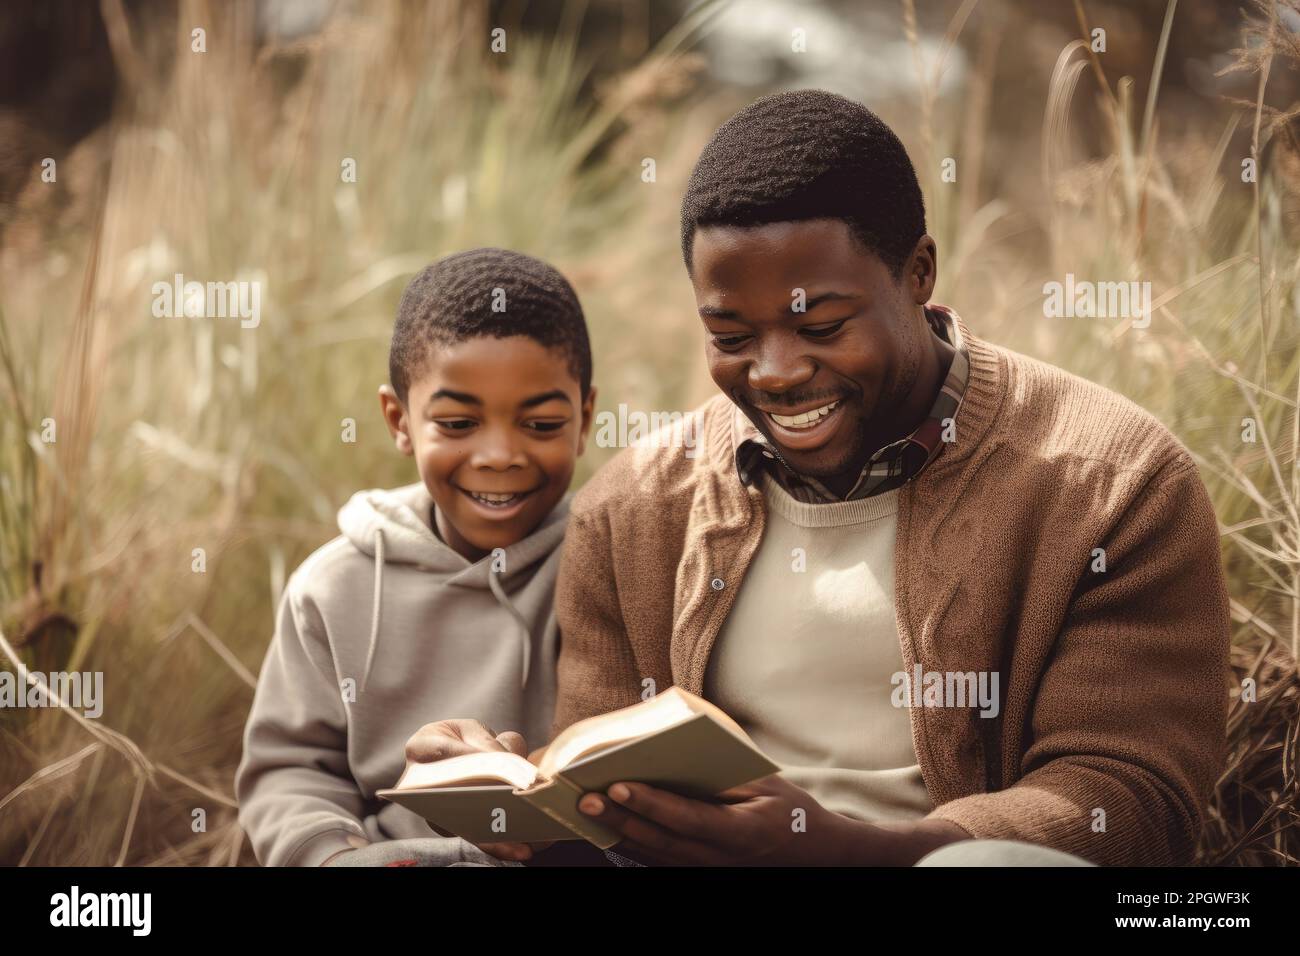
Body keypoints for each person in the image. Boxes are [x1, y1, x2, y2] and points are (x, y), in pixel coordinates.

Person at [403, 91, 1231, 867]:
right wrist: (524, 801)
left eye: (821, 326)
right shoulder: (633, 507)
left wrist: (859, 852)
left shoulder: (1116, 483)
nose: (775, 373)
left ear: (918, 273)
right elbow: (604, 768)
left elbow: (1129, 801)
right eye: (730, 334)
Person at [235, 248, 595, 866]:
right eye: (457, 423)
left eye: (540, 425)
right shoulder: (334, 589)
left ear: (585, 418)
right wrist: (334, 855)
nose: (499, 455)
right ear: (399, 421)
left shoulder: (610, 561)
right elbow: (292, 769)